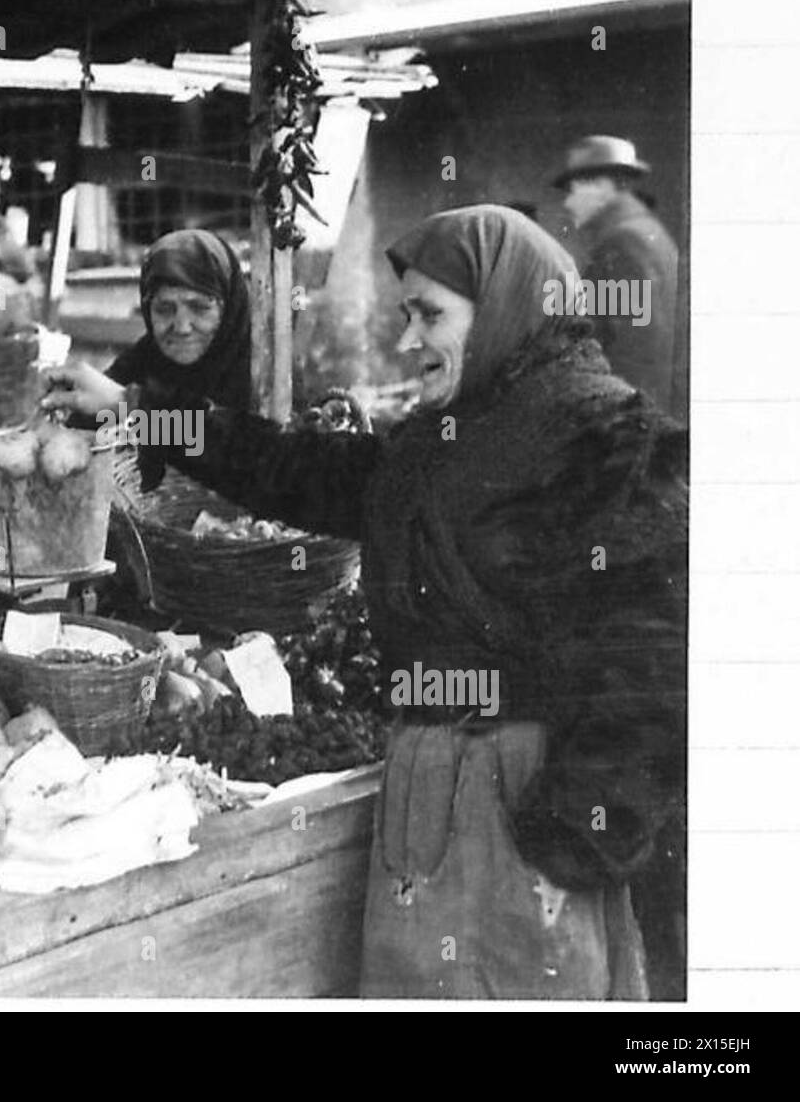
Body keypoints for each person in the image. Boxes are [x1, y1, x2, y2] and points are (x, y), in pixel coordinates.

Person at [45, 205, 687, 1000]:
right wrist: (137, 409)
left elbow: (659, 664)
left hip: (528, 807)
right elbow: (292, 467)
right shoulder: (444, 436)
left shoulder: (611, 441)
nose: (410, 340)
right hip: (427, 786)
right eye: (407, 314)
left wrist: (575, 840)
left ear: (509, 307)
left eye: (432, 316)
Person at [554, 135, 682, 417]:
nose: (568, 203)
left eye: (573, 190)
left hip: (627, 419)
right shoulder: (644, 233)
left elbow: (635, 357)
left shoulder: (624, 243)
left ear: (602, 186)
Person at [107, 228, 252, 409]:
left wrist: (132, 403)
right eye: (164, 309)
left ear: (229, 308)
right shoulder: (142, 363)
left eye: (200, 308)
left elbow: (248, 434)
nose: (182, 328)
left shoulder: (265, 373)